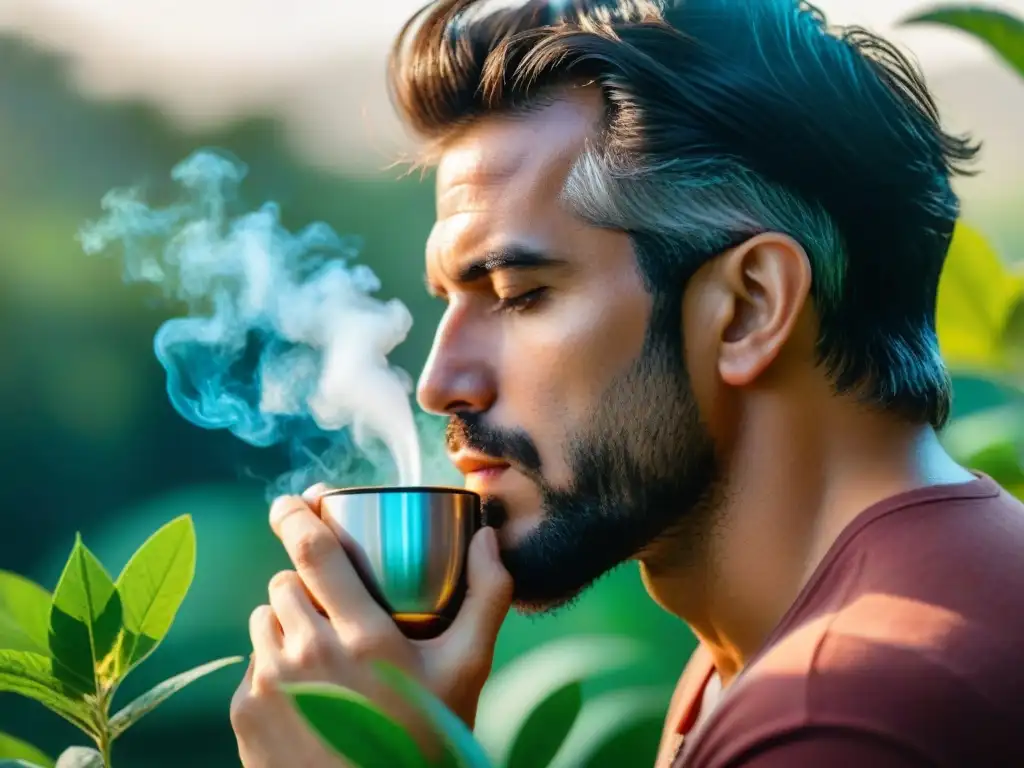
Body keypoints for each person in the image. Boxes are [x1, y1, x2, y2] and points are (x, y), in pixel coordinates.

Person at [229, 1, 1024, 766]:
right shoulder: (756, 658)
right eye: (450, 303)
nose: (440, 384)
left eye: (517, 295)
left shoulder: (840, 714)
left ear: (749, 308)